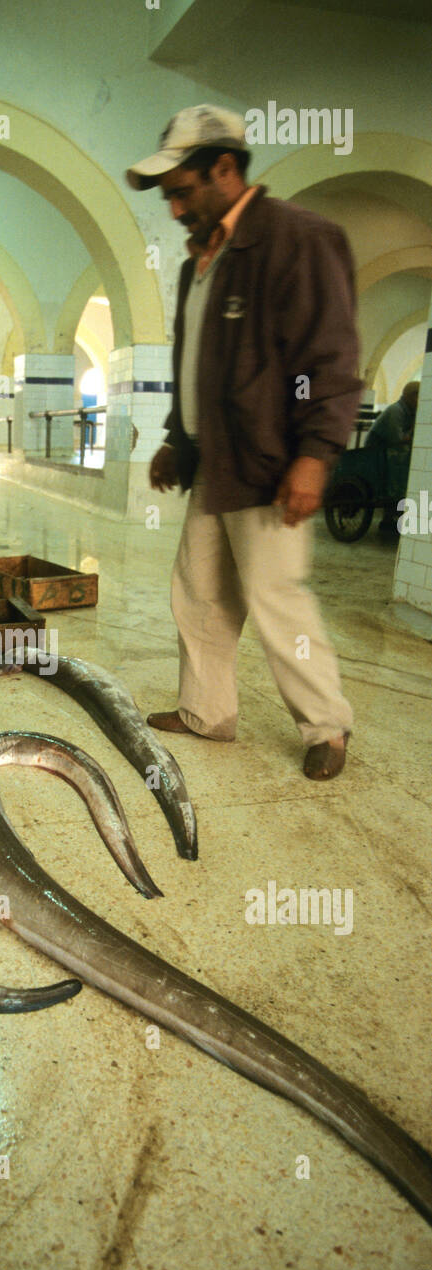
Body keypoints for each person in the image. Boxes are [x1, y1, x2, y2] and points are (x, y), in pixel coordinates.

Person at [126, 105, 363, 779]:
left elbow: (331, 356)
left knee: (274, 596)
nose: (172, 209)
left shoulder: (297, 239)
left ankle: (326, 727)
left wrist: (315, 455)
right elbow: (195, 362)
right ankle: (207, 712)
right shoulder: (198, 263)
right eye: (167, 196)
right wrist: (178, 436)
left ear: (225, 170)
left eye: (181, 191)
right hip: (214, 461)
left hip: (270, 462)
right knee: (199, 590)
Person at [365, 381, 419, 535]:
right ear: (410, 396)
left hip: (389, 449)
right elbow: (397, 438)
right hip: (376, 451)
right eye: (418, 397)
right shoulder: (396, 410)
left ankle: (391, 516)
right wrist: (413, 430)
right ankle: (394, 505)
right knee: (401, 464)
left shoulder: (408, 411)